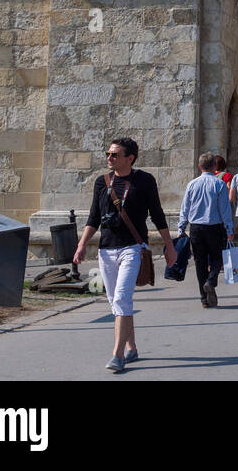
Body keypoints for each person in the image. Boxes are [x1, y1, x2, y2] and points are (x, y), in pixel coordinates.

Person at [74, 138, 176, 373]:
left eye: (115, 155)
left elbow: (158, 215)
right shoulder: (102, 182)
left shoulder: (144, 181)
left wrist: (169, 246)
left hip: (133, 248)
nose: (109, 158)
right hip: (106, 250)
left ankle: (117, 355)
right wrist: (81, 245)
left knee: (121, 300)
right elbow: (93, 218)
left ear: (130, 158)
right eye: (108, 154)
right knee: (116, 303)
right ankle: (131, 347)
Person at [177, 152, 234, 308]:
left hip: (196, 228)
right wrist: (229, 228)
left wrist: (181, 227)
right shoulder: (219, 184)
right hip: (215, 227)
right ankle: (211, 280)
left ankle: (204, 299)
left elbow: (185, 208)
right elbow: (224, 209)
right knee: (217, 257)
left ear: (199, 167)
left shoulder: (192, 184)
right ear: (215, 167)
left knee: (200, 262)